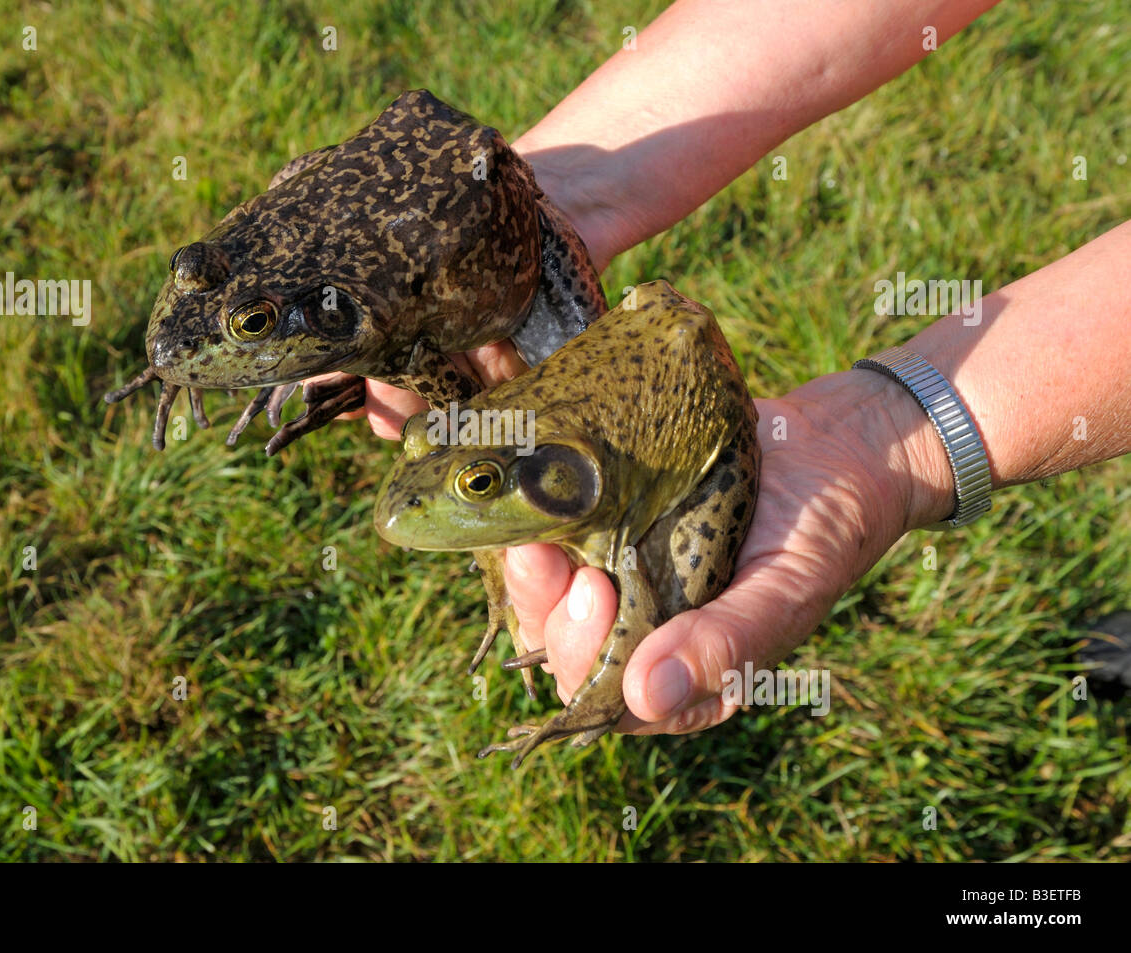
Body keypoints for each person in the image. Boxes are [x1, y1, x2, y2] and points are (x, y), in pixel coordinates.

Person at [350, 0, 1131, 736]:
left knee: (647, 598)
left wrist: (903, 433)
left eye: (479, 482)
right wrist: (530, 208)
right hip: (623, 377)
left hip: (680, 424)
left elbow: (633, 617)